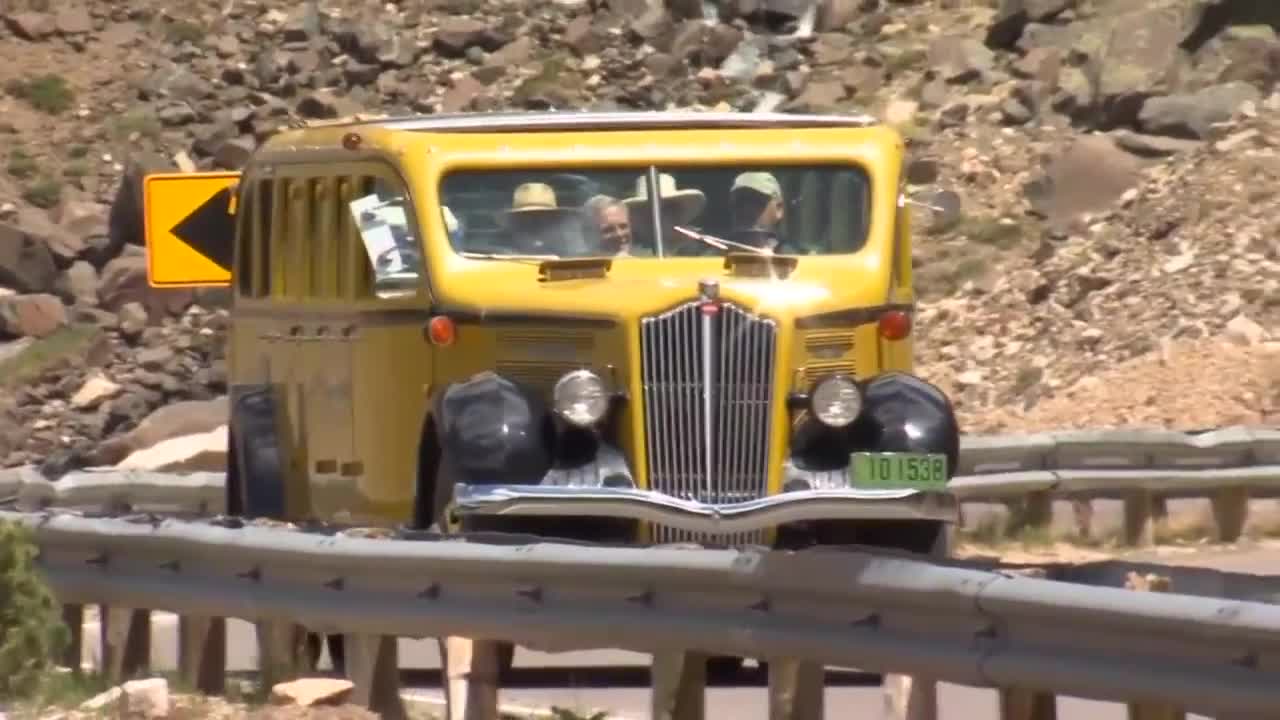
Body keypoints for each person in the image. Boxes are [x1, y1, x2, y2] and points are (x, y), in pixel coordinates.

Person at [621, 173, 710, 256]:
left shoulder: (700, 248)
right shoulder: (624, 254)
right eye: (644, 212)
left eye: (669, 210)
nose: (654, 218)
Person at [499, 182, 582, 255]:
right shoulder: (503, 239)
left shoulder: (566, 238)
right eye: (528, 214)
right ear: (517, 217)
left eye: (542, 213)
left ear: (553, 216)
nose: (535, 218)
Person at [728, 171, 791, 252]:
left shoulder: (797, 259)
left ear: (779, 208)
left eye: (756, 201)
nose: (746, 210)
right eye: (740, 202)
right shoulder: (712, 258)